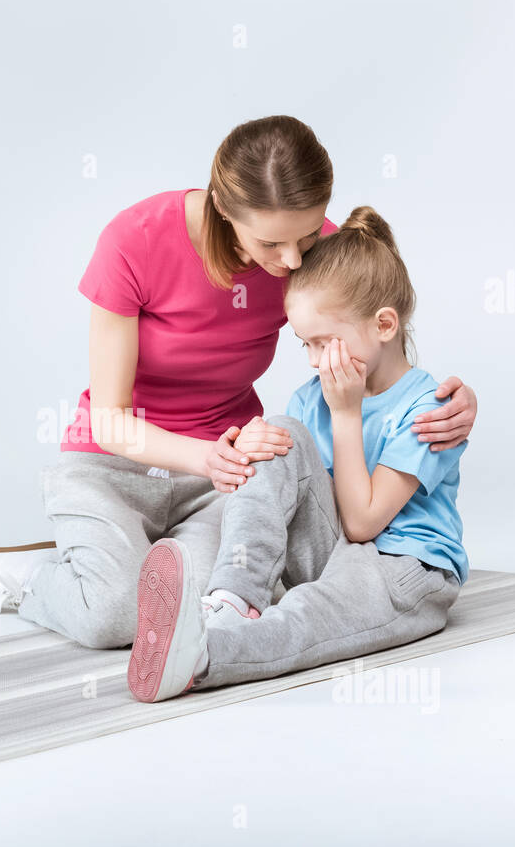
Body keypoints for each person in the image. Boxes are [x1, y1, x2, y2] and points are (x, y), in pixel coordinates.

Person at [0, 116, 478, 653]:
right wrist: (209, 456)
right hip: (119, 460)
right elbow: (110, 419)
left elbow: (375, 323)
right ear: (222, 208)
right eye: (271, 245)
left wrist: (448, 403)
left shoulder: (308, 250)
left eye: (308, 237)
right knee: (112, 616)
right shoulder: (134, 240)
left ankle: (113, 558)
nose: (289, 262)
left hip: (228, 474)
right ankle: (33, 578)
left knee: (201, 606)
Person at [127, 205, 468, 702]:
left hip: (404, 569)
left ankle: (202, 657)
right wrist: (249, 449)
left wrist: (347, 414)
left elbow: (363, 524)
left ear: (384, 325)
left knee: (310, 615)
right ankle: (231, 600)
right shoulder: (314, 397)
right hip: (334, 554)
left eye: (324, 342)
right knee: (276, 431)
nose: (313, 360)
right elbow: (299, 500)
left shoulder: (428, 410)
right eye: (303, 344)